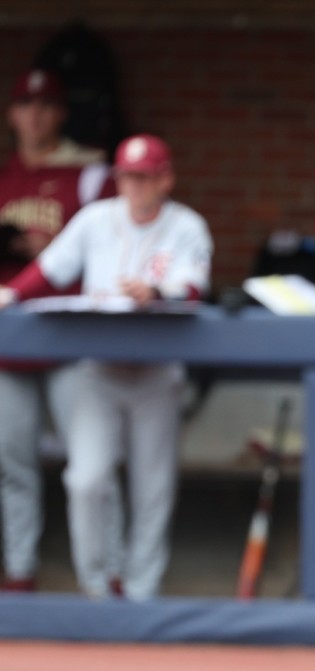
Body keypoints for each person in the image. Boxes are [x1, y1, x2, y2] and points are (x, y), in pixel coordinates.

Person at [0, 133, 213, 600]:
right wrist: (12, 293)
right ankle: (97, 588)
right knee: (86, 478)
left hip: (158, 370)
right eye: (127, 176)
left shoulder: (188, 226)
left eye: (143, 177)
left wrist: (154, 293)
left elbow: (193, 289)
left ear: (165, 179)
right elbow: (51, 269)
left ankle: (141, 591)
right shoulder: (96, 218)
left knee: (152, 487)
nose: (133, 186)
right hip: (99, 371)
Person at [0, 67, 115, 592]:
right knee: (12, 464)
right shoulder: (5, 175)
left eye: (46, 105)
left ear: (61, 112)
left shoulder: (89, 173)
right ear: (12, 114)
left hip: (70, 336)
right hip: (10, 337)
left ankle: (104, 576)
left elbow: (111, 243)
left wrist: (47, 252)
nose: (36, 115)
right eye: (26, 104)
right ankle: (20, 570)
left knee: (90, 470)